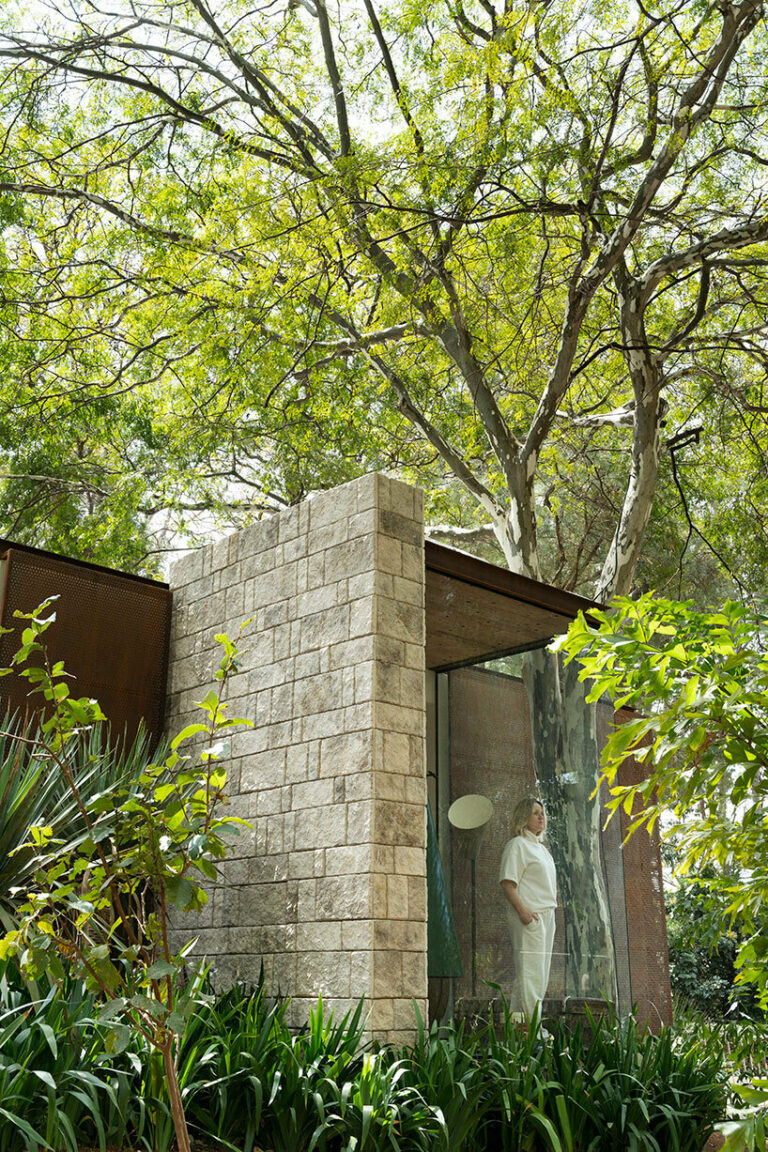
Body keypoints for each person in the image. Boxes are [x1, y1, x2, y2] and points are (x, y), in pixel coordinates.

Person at [499, 795, 557, 1018]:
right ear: (523, 817)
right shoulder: (517, 845)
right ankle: (533, 1028)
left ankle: (519, 1025)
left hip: (547, 915)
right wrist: (523, 912)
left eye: (542, 813)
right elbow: (508, 883)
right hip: (530, 915)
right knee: (531, 974)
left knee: (538, 975)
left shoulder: (541, 849)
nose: (541, 817)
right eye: (535, 813)